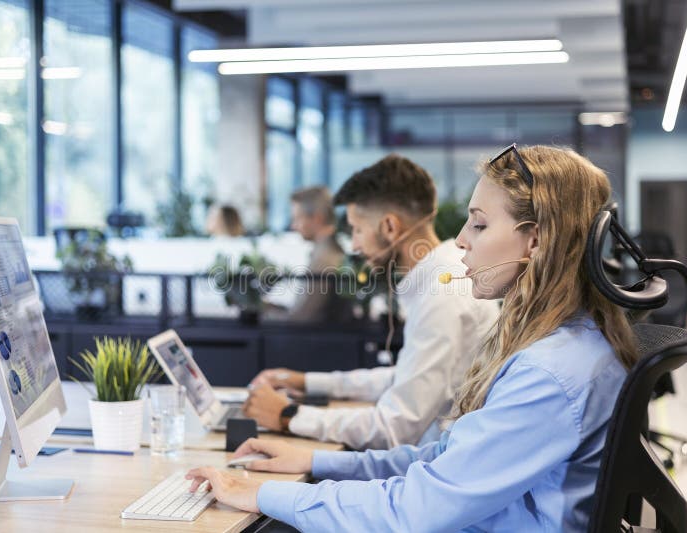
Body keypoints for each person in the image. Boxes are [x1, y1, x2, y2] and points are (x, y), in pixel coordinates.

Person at [185, 145, 639, 531]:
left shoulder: (547, 372)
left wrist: (265, 491)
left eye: (479, 224)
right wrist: (318, 463)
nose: (461, 240)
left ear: (535, 241)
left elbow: (416, 507)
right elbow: (442, 457)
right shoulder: (562, 345)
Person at [243, 154, 499, 450]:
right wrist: (306, 382)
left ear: (390, 227)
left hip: (432, 463)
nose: (353, 245)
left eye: (357, 229)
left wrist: (289, 415)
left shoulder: (443, 293)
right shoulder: (443, 275)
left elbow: (394, 428)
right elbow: (407, 377)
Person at [267, 186, 352, 323]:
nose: (293, 226)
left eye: (297, 219)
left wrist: (263, 315)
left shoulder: (324, 258)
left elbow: (302, 319)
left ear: (317, 219)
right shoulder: (327, 250)